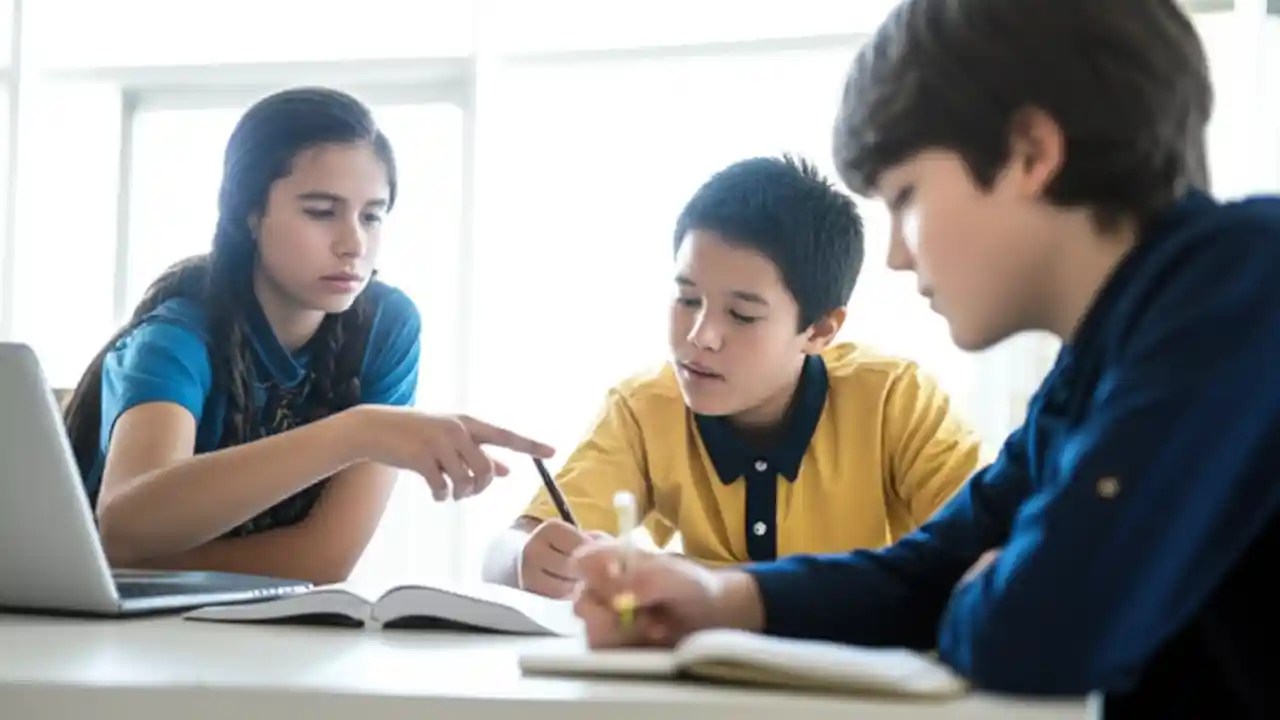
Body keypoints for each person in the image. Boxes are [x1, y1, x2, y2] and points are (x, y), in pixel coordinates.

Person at [570, 1, 1280, 716]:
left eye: (904, 197)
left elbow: (1043, 627)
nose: (896, 255)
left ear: (1030, 153)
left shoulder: (1247, 279)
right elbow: (934, 567)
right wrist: (722, 599)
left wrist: (993, 590)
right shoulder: (1100, 362)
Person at [62, 87, 553, 585]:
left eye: (372, 215)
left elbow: (325, 561)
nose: (353, 243)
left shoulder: (387, 326)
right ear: (250, 214)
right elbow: (126, 527)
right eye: (321, 211)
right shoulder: (177, 336)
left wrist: (141, 561)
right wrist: (356, 432)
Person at [484, 155, 983, 598]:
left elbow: (991, 545)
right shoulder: (645, 408)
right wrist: (525, 558)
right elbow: (505, 551)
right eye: (688, 299)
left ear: (820, 329)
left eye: (741, 315)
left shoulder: (893, 399)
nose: (701, 336)